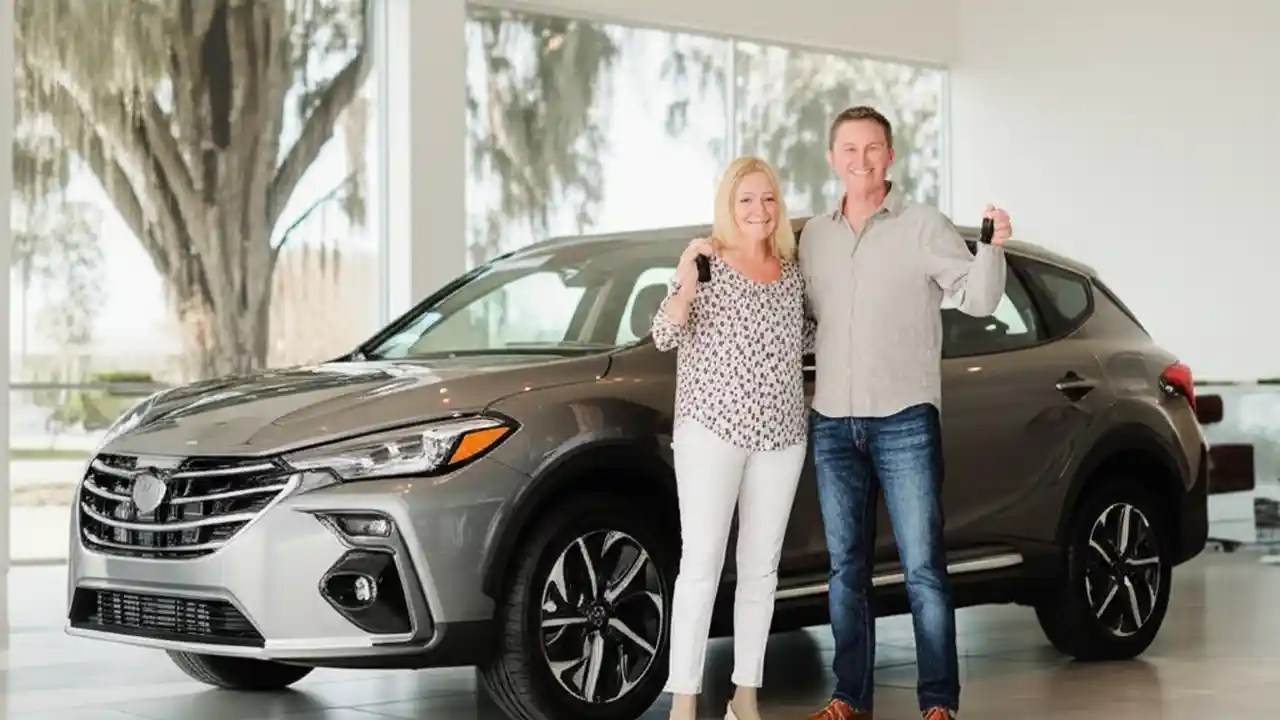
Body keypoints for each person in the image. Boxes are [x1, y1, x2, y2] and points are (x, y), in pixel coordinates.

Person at [799, 106, 1013, 720]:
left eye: (872, 149)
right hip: (834, 423)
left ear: (890, 156)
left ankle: (938, 704)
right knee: (846, 573)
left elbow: (978, 297)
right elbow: (807, 321)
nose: (861, 160)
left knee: (922, 570)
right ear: (833, 158)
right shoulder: (815, 235)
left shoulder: (923, 225)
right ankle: (849, 699)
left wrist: (991, 245)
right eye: (849, 149)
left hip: (904, 421)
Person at [651, 156, 813, 720]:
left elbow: (809, 337)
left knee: (761, 569)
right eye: (746, 199)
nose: (758, 210)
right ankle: (685, 702)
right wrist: (685, 283)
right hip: (711, 432)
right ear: (728, 205)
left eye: (767, 199)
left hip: (782, 434)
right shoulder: (706, 261)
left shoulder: (792, 271)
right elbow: (665, 333)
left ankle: (746, 696)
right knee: (700, 566)